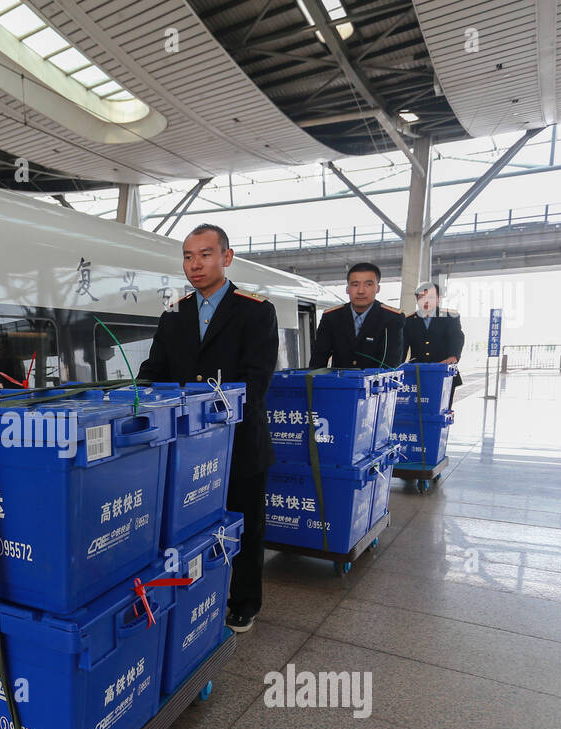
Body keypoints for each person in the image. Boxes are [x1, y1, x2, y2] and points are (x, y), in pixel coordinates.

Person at [137, 223, 278, 633]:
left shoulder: (255, 310)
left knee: (247, 524)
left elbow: (257, 380)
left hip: (239, 443)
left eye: (205, 255)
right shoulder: (175, 313)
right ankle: (195, 595)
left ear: (226, 258)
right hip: (186, 448)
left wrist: (208, 411)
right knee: (190, 527)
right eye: (187, 256)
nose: (195, 265)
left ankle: (245, 601)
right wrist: (134, 396)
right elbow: (154, 371)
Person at [310, 262, 404, 369]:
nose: (361, 291)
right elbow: (317, 361)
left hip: (377, 384)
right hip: (339, 384)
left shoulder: (392, 318)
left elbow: (390, 364)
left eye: (368, 284)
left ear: (377, 288)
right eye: (355, 284)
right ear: (347, 289)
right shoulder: (331, 317)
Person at [404, 281, 464, 408]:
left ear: (438, 299)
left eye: (430, 297)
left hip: (443, 374)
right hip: (416, 375)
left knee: (440, 411)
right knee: (417, 412)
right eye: (421, 297)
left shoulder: (450, 317)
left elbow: (457, 337)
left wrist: (454, 356)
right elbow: (402, 346)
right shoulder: (409, 320)